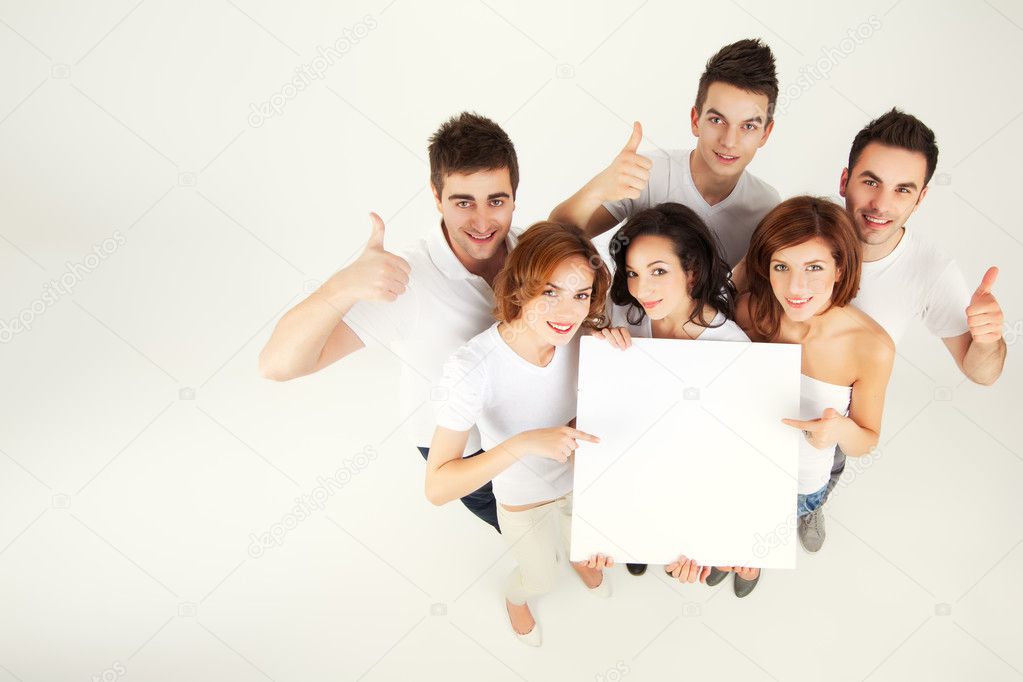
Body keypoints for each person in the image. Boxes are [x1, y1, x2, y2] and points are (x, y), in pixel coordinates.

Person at [258, 112, 525, 533]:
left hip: (528, 428)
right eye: (463, 202)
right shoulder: (406, 278)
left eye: (496, 200)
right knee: (535, 539)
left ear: (513, 195)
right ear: (437, 197)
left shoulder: (530, 249)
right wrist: (340, 286)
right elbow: (278, 365)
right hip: (462, 452)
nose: (481, 221)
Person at [806, 109, 1008, 552]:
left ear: (920, 200)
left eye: (903, 190)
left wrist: (989, 340)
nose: (881, 204)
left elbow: (982, 373)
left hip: (843, 415)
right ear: (845, 180)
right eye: (871, 181)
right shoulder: (803, 230)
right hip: (773, 385)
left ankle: (811, 504)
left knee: (820, 475)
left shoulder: (932, 271)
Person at [425, 222, 611, 646]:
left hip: (580, 486)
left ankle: (580, 560)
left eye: (580, 295)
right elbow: (437, 487)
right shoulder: (473, 367)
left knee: (584, 547)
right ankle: (516, 598)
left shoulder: (583, 338)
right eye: (551, 292)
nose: (568, 313)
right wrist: (524, 442)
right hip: (522, 502)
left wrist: (615, 348)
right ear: (520, 287)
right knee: (539, 577)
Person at [734, 195, 896, 596]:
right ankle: (738, 556)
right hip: (747, 464)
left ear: (840, 270)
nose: (795, 287)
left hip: (804, 477)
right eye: (781, 267)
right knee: (736, 532)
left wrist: (837, 430)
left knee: (782, 523)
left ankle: (807, 516)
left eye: (814, 268)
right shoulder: (751, 312)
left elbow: (866, 440)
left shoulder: (871, 345)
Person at [588, 202, 749, 582]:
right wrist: (601, 351)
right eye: (632, 273)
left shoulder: (730, 348)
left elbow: (729, 459)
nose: (642, 289)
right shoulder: (627, 313)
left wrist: (704, 539)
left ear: (691, 272)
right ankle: (637, 548)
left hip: (690, 481)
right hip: (634, 469)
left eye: (658, 271)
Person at [549, 38, 780, 267]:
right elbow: (554, 239)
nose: (729, 141)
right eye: (717, 120)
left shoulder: (767, 207)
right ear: (695, 120)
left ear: (765, 134)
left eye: (748, 126)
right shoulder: (648, 173)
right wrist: (598, 188)